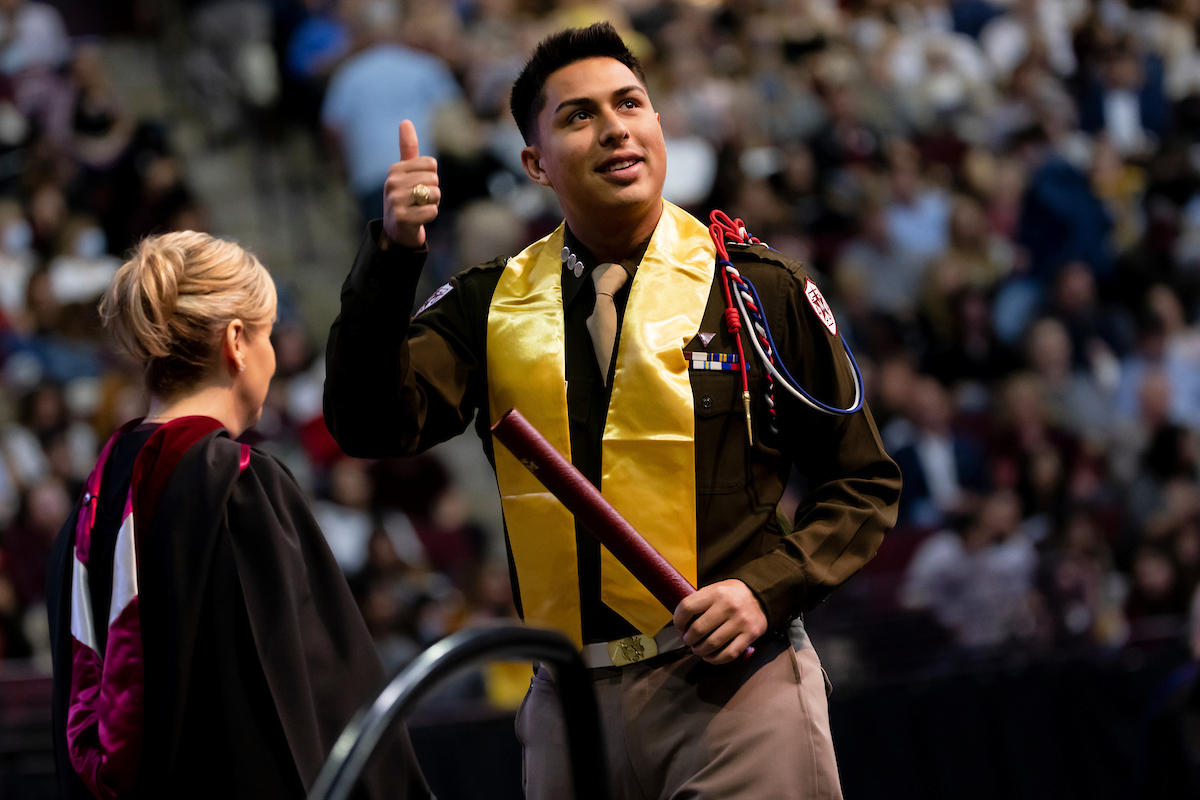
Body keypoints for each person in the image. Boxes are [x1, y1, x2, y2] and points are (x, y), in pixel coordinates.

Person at [325, 23, 901, 799]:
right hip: (568, 705)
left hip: (734, 688)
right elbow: (368, 423)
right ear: (535, 164)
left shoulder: (755, 289)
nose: (615, 128)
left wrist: (765, 589)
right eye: (578, 116)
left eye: (630, 103)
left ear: (660, 124)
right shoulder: (487, 307)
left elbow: (863, 484)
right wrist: (393, 256)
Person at [45, 232, 431, 800]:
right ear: (236, 342)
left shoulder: (94, 499)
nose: (272, 357)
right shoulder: (238, 484)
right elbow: (317, 694)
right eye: (267, 335)